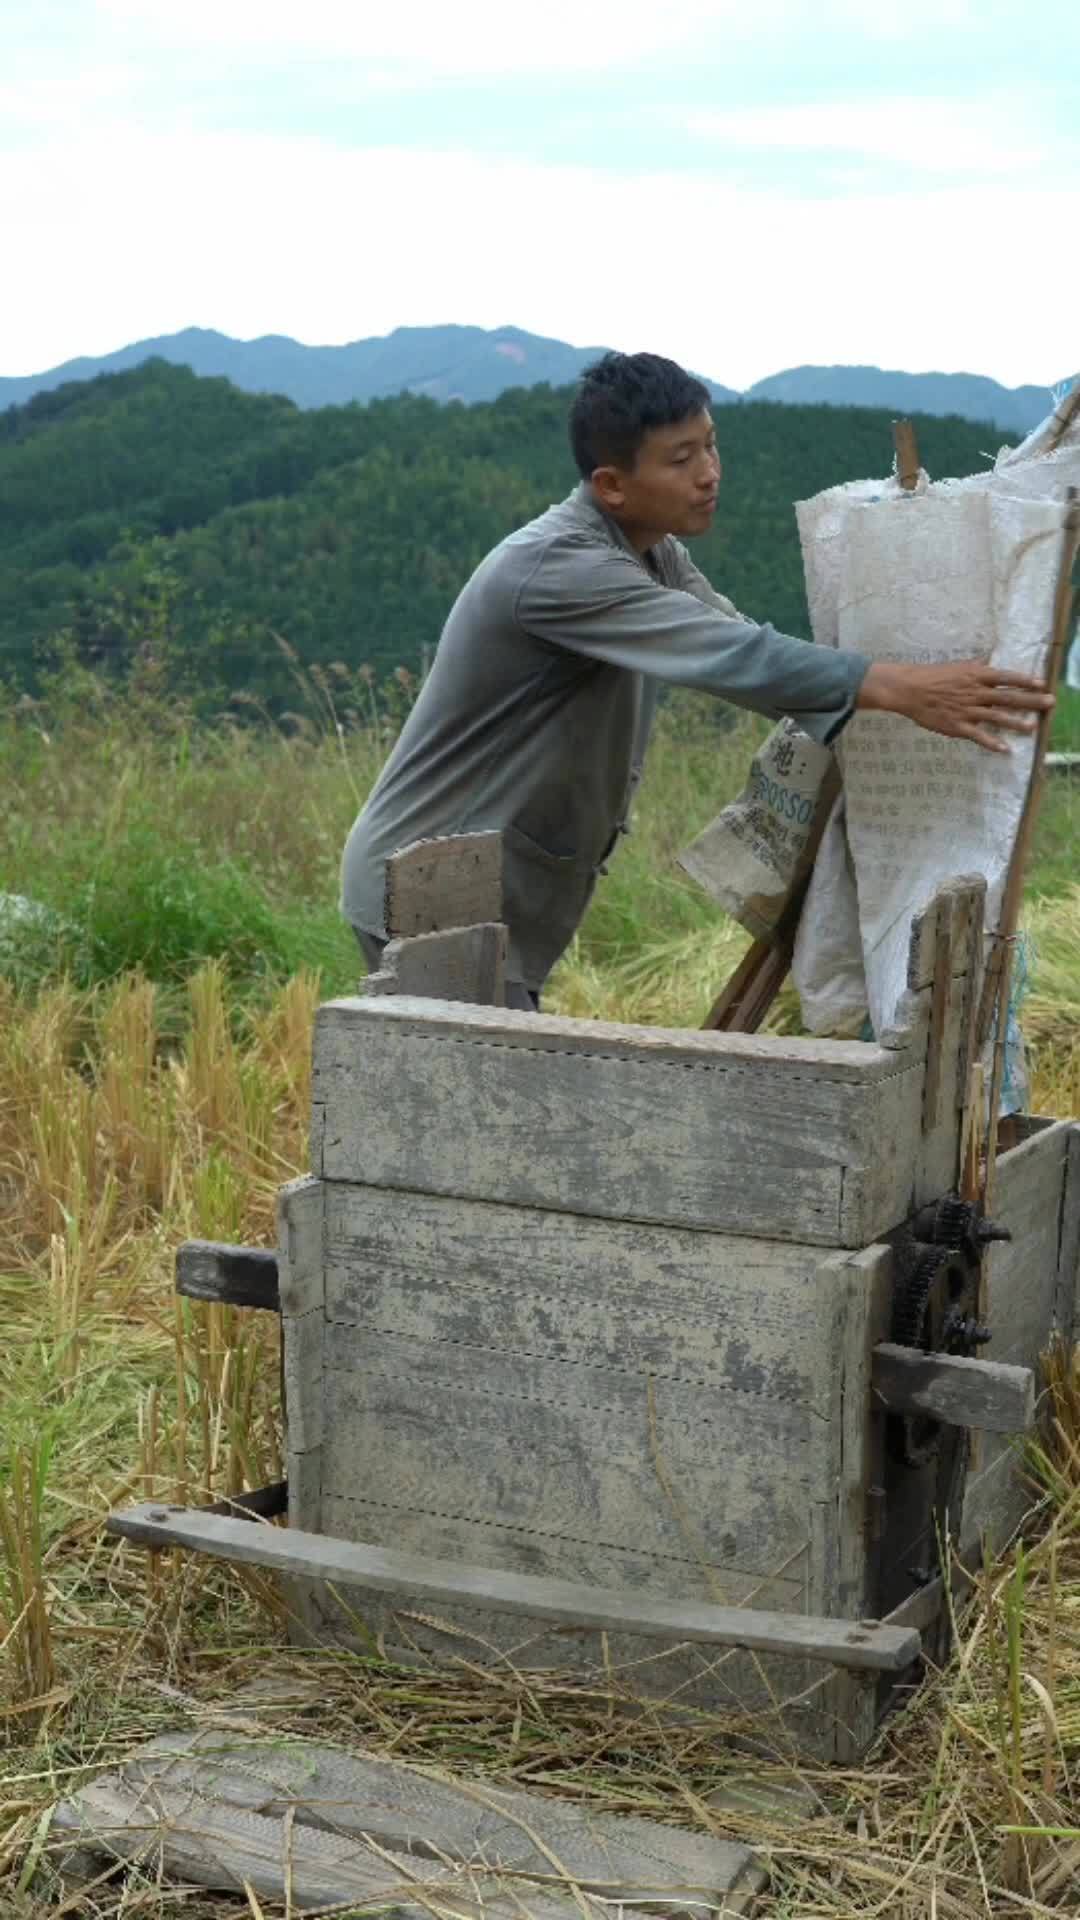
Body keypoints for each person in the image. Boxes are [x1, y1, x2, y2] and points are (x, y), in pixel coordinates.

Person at [341, 352, 1053, 1009]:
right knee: (480, 1093)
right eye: (681, 459)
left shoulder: (654, 553)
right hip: (429, 882)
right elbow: (730, 656)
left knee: (487, 1085)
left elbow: (741, 639)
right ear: (611, 485)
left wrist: (873, 692)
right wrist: (898, 687)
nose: (709, 472)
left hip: (489, 884)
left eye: (710, 445)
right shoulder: (560, 569)